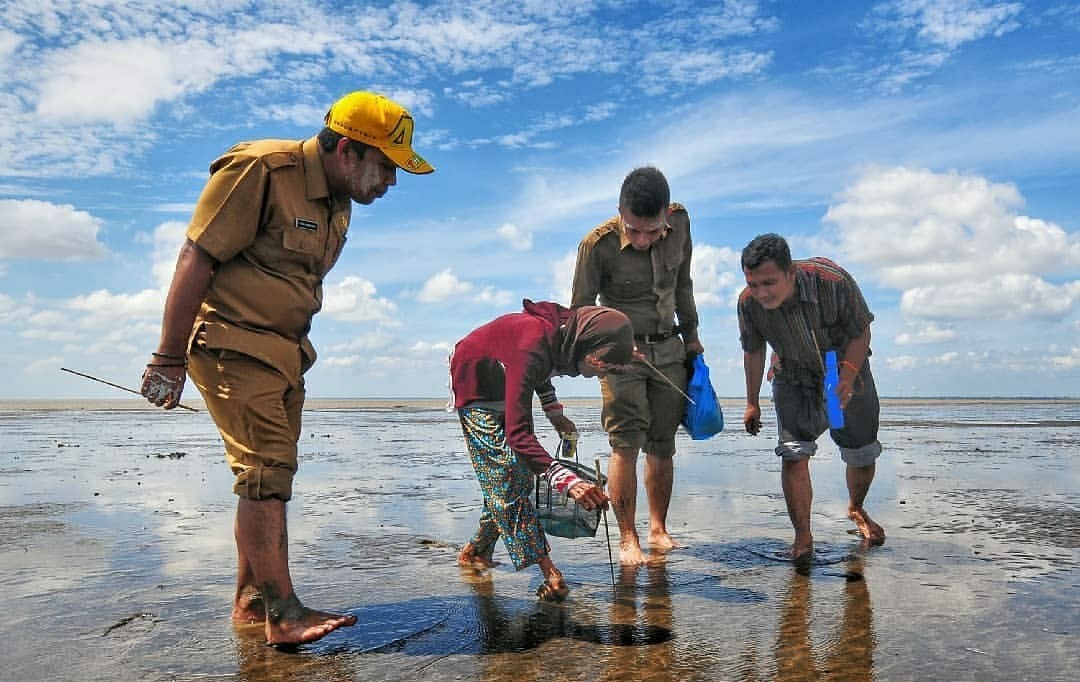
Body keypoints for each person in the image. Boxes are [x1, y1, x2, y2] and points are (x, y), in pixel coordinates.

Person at [139, 90, 434, 646]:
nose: (391, 183)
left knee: (266, 481)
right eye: (387, 167)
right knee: (266, 474)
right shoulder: (262, 170)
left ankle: (253, 601)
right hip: (232, 343)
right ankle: (284, 613)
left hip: (286, 354)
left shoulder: (338, 203)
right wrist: (168, 357)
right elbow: (195, 255)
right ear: (348, 150)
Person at [449, 299, 633, 601]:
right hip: (476, 383)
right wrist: (567, 481)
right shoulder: (532, 344)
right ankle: (550, 572)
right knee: (505, 473)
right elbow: (518, 434)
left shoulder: (565, 334)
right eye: (600, 365)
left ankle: (475, 552)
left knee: (516, 475)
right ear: (588, 348)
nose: (599, 374)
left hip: (510, 375)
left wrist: (554, 411)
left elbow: (541, 368)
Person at [570, 166, 704, 566]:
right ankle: (629, 539)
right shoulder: (596, 245)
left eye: (653, 231)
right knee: (625, 443)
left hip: (670, 348)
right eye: (634, 231)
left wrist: (693, 338)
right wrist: (597, 354)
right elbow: (579, 309)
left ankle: (658, 529)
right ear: (619, 212)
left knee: (663, 445)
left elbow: (684, 284)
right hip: (621, 357)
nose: (644, 240)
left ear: (666, 215)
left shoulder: (680, 223)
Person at [738, 233, 885, 563]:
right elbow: (754, 350)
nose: (761, 293)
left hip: (840, 366)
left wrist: (846, 377)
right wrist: (752, 402)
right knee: (794, 452)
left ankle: (856, 507)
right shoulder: (748, 303)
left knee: (859, 451)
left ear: (790, 273)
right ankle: (803, 538)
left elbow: (861, 330)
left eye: (769, 283)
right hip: (792, 372)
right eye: (753, 283)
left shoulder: (832, 281)